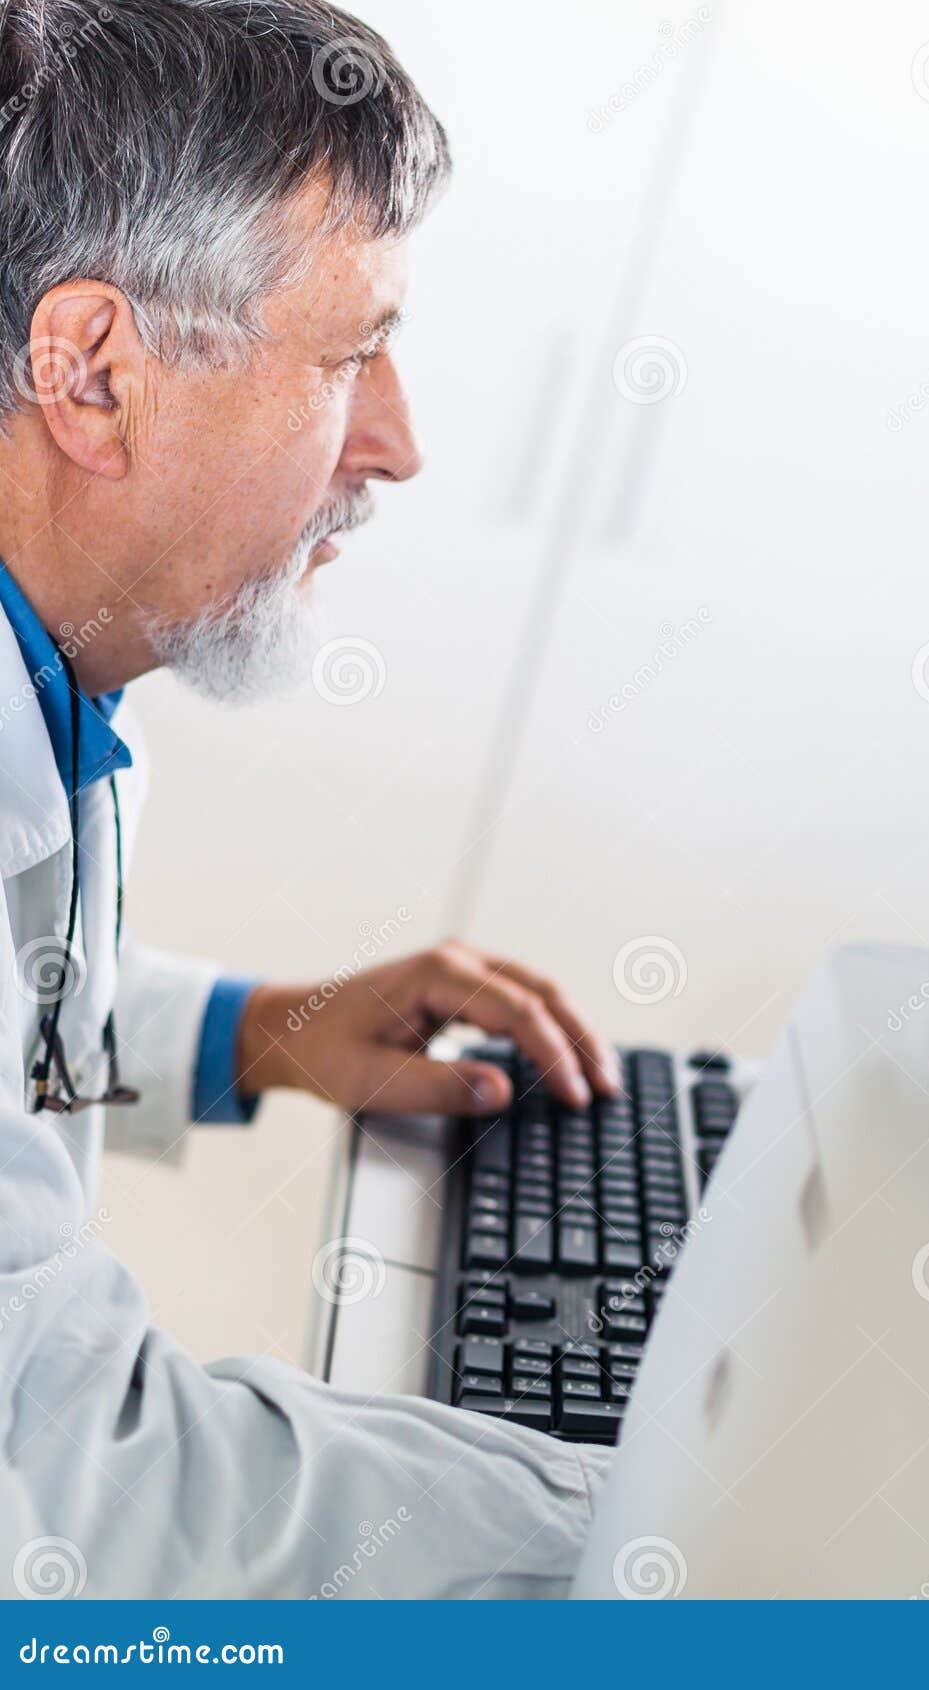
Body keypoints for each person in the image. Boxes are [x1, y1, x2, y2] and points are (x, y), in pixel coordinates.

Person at [0, 0, 614, 1598]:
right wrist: (658, 1529)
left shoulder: (50, 675)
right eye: (350, 358)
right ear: (94, 376)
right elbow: (78, 1491)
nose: (397, 446)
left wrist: (261, 1029)